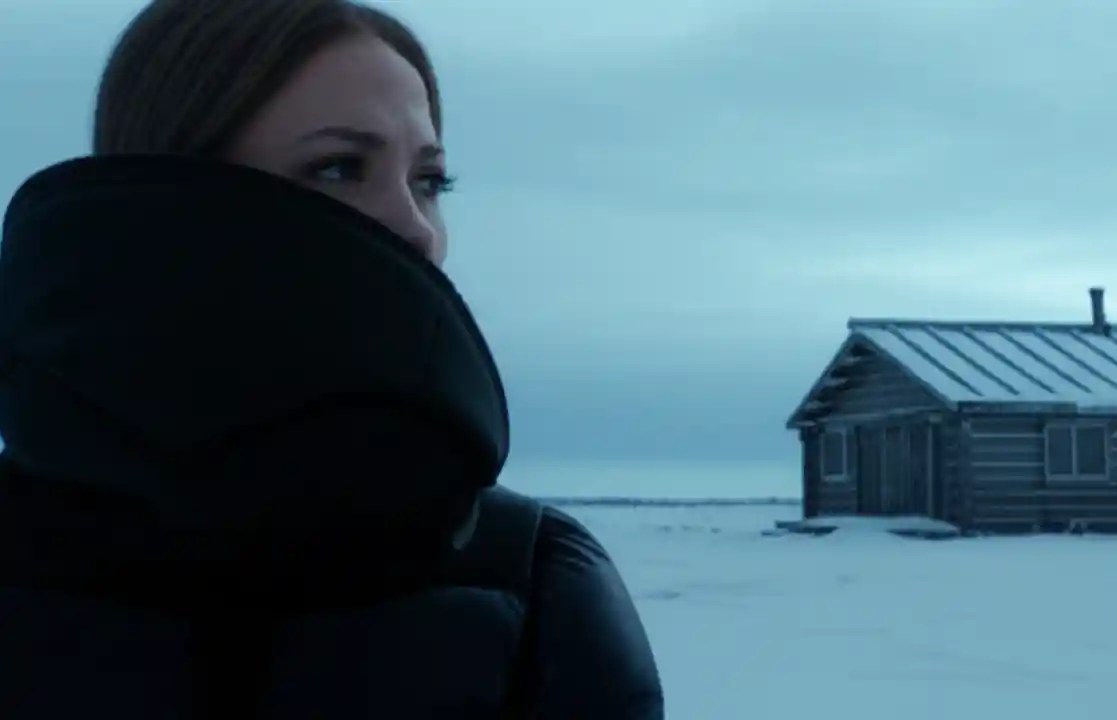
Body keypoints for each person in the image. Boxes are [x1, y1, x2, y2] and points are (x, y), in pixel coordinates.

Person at [0, 0, 664, 717]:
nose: (418, 229)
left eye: (429, 181)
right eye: (340, 167)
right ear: (168, 198)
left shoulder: (530, 581)